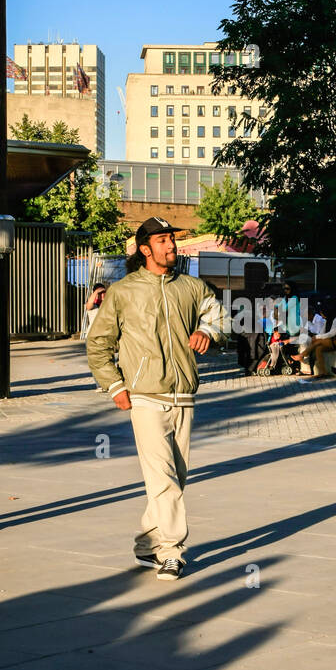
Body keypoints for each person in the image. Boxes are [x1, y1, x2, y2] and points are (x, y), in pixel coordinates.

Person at [86, 216, 224, 581]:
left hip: (184, 396)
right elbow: (98, 344)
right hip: (145, 397)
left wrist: (207, 331)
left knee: (174, 477)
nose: (171, 246)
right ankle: (172, 551)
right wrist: (114, 386)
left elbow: (216, 314)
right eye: (163, 241)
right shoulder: (124, 291)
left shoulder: (192, 287)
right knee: (163, 479)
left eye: (172, 240)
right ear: (145, 249)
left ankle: (147, 544)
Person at [296, 303, 336, 379]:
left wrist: (317, 337)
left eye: (322, 313)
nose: (322, 315)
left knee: (318, 342)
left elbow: (331, 334)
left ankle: (302, 355)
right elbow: (322, 333)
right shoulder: (327, 320)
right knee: (318, 348)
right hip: (331, 342)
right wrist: (316, 337)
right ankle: (323, 372)